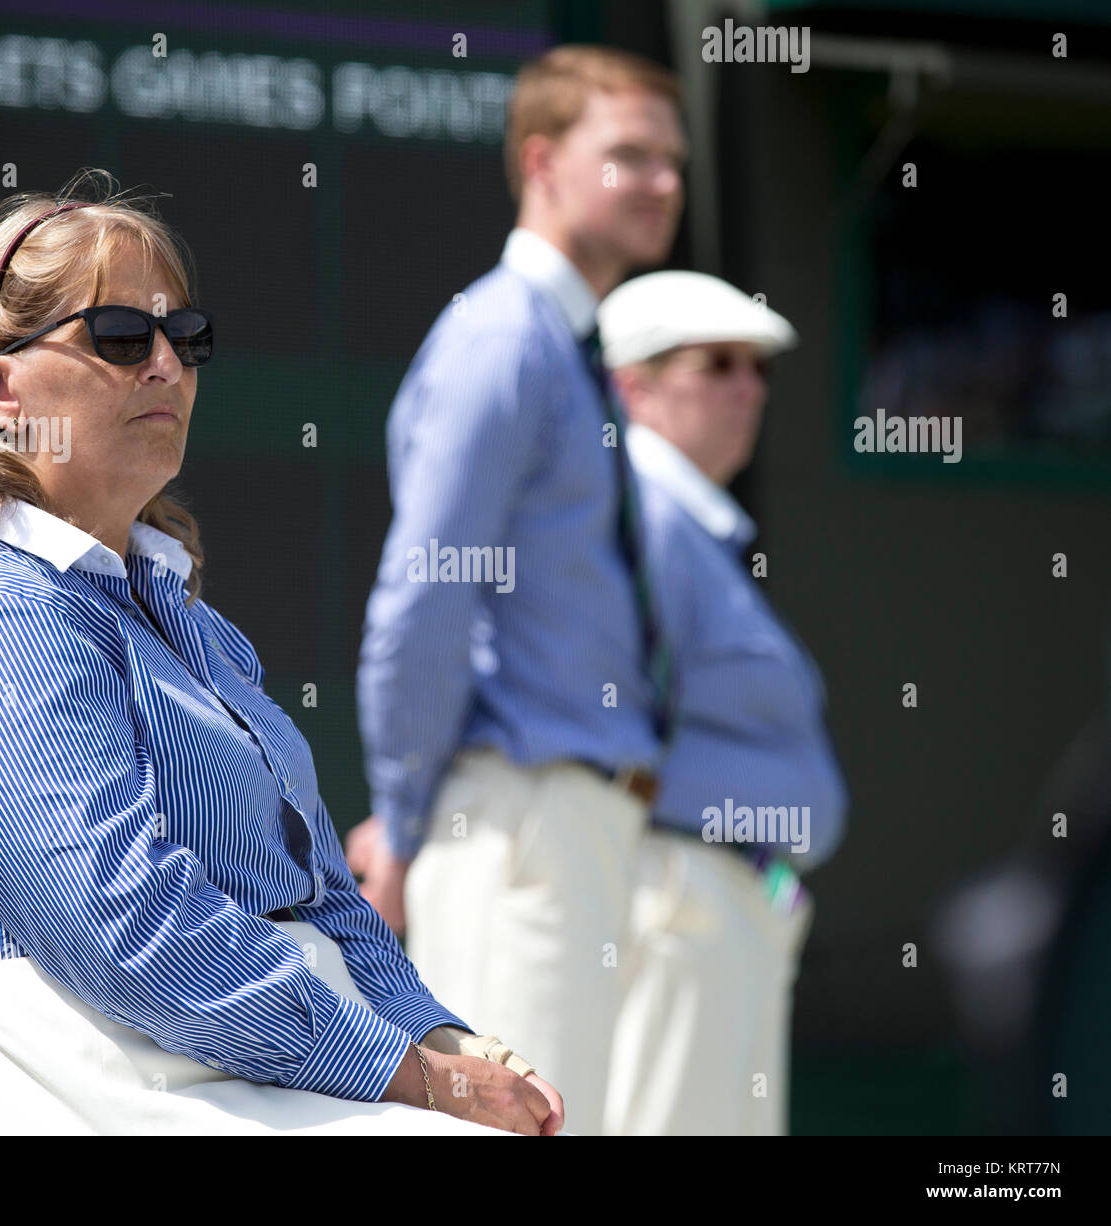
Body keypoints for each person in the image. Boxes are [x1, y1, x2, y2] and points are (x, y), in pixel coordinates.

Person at [0, 172, 563, 1136]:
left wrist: (439, 1038)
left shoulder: (192, 622)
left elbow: (322, 891)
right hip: (112, 1087)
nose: (167, 368)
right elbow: (121, 924)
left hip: (253, 1074)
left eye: (185, 339)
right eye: (121, 337)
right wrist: (410, 1076)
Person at [348, 46, 686, 1135]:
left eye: (672, 161)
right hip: (517, 826)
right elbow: (424, 594)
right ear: (541, 162)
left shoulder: (569, 345)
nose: (663, 183)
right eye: (630, 155)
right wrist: (397, 824)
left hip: (574, 828)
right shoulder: (502, 337)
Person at [595, 270, 848, 1135]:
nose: (749, 388)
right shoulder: (641, 517)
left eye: (758, 370)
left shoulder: (684, 522)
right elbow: (595, 723)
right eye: (719, 365)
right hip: (675, 903)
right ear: (634, 384)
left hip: (724, 907)